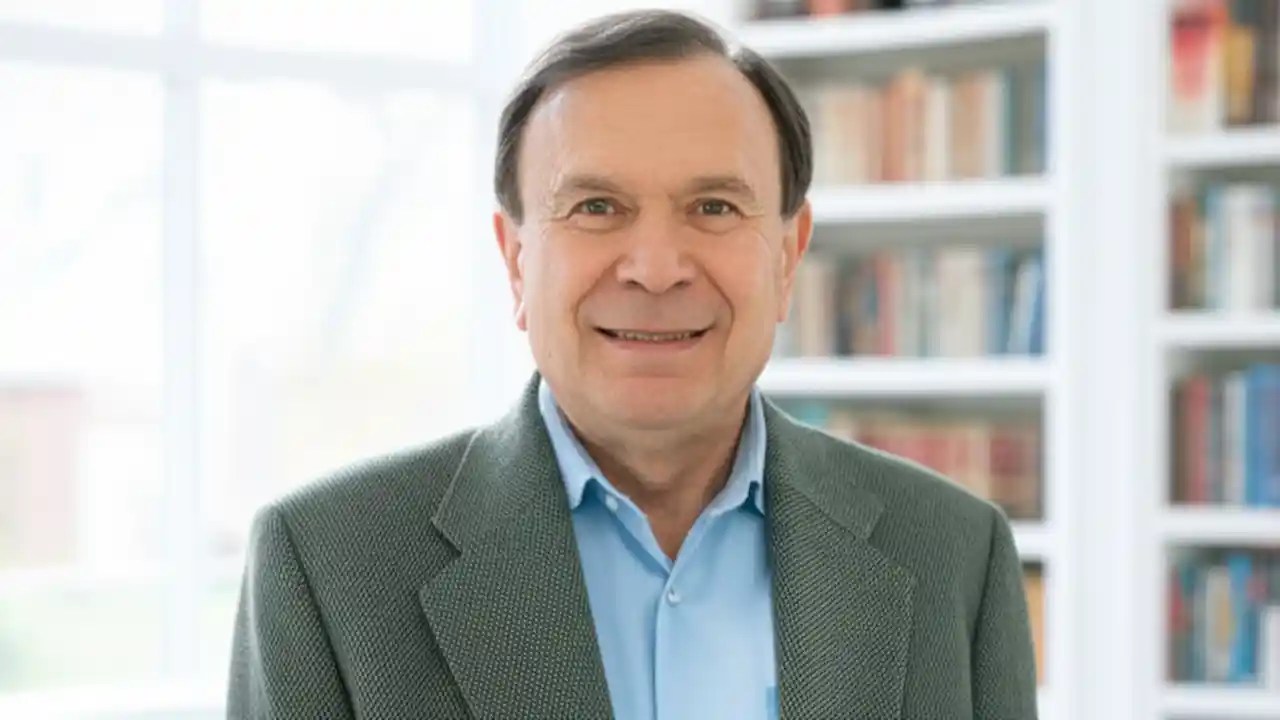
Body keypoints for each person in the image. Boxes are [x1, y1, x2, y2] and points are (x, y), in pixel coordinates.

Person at [227, 9, 1037, 720]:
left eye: (713, 207)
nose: (655, 266)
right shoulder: (328, 570)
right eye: (597, 208)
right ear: (516, 262)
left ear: (789, 257)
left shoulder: (955, 556)